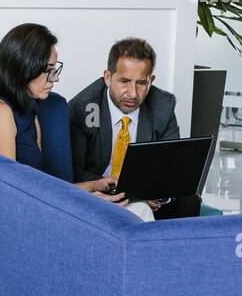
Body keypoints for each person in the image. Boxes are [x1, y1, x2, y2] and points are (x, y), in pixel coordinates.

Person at [0, 23, 154, 220]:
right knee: (137, 212)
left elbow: (42, 186)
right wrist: (88, 201)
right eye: (48, 70)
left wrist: (92, 187)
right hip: (20, 215)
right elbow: (9, 191)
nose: (55, 78)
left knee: (139, 208)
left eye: (55, 69)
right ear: (24, 67)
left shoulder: (28, 111)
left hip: (38, 207)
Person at [68, 37, 197, 220]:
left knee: (190, 200)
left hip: (144, 191)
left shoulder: (162, 105)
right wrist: (115, 190)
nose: (133, 93)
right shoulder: (86, 108)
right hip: (100, 193)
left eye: (141, 83)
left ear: (151, 80)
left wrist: (152, 192)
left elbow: (171, 166)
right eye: (124, 82)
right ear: (107, 77)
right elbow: (74, 171)